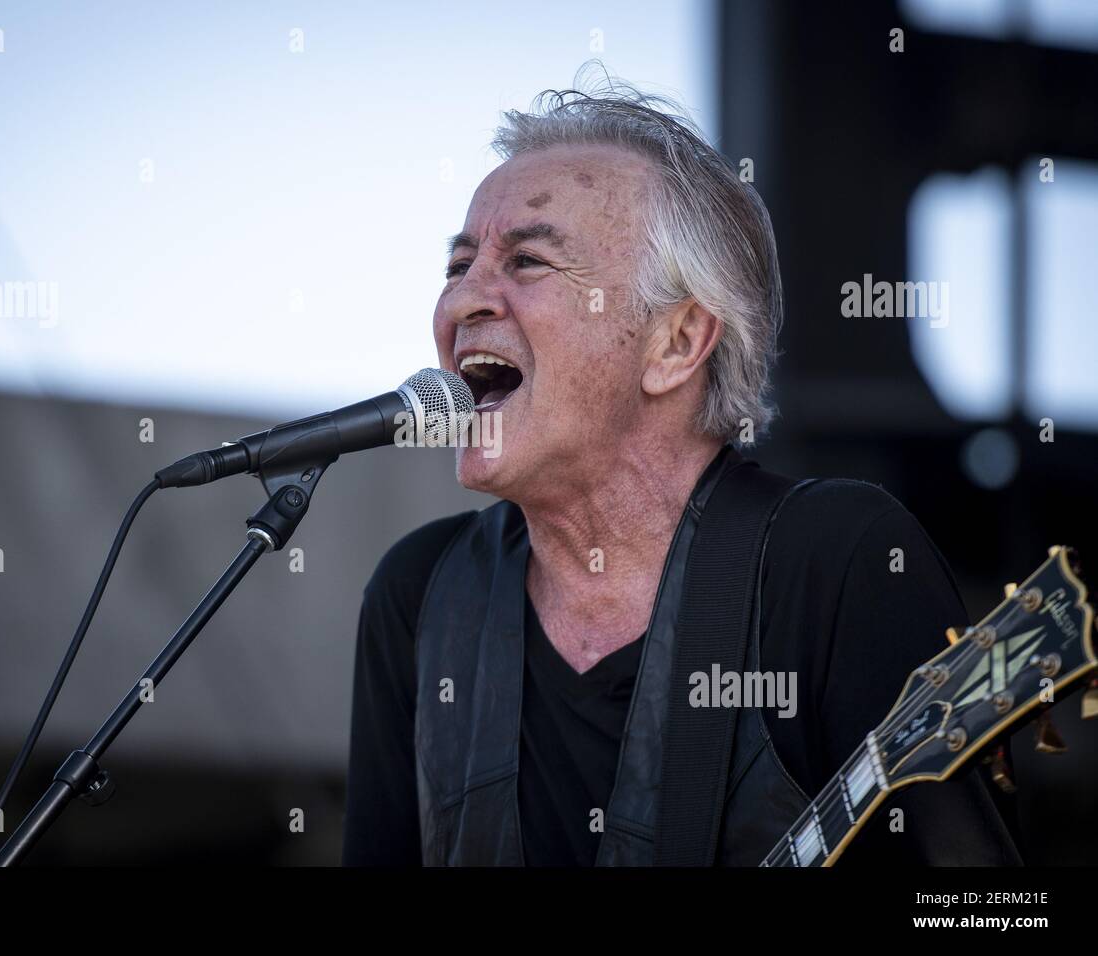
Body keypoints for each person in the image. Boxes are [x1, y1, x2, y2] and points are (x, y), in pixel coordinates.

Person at [341, 75, 1020, 866]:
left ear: (677, 342)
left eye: (526, 261)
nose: (462, 302)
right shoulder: (421, 597)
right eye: (458, 265)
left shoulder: (835, 562)